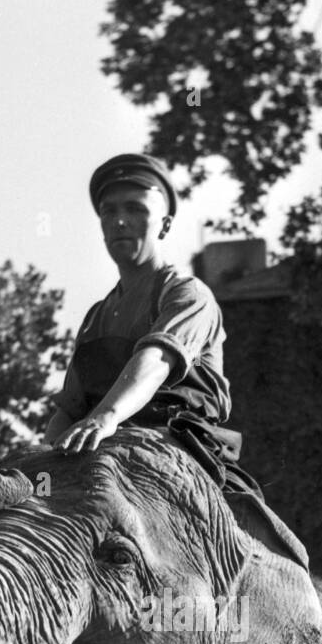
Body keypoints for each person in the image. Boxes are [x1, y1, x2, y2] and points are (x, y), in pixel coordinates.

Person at [48, 152, 262, 496]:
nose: (120, 221)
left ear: (164, 224)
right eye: (109, 211)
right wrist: (43, 462)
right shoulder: (95, 318)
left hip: (180, 450)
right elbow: (69, 410)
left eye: (135, 209)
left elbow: (156, 360)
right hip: (99, 455)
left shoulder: (185, 293)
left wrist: (106, 416)